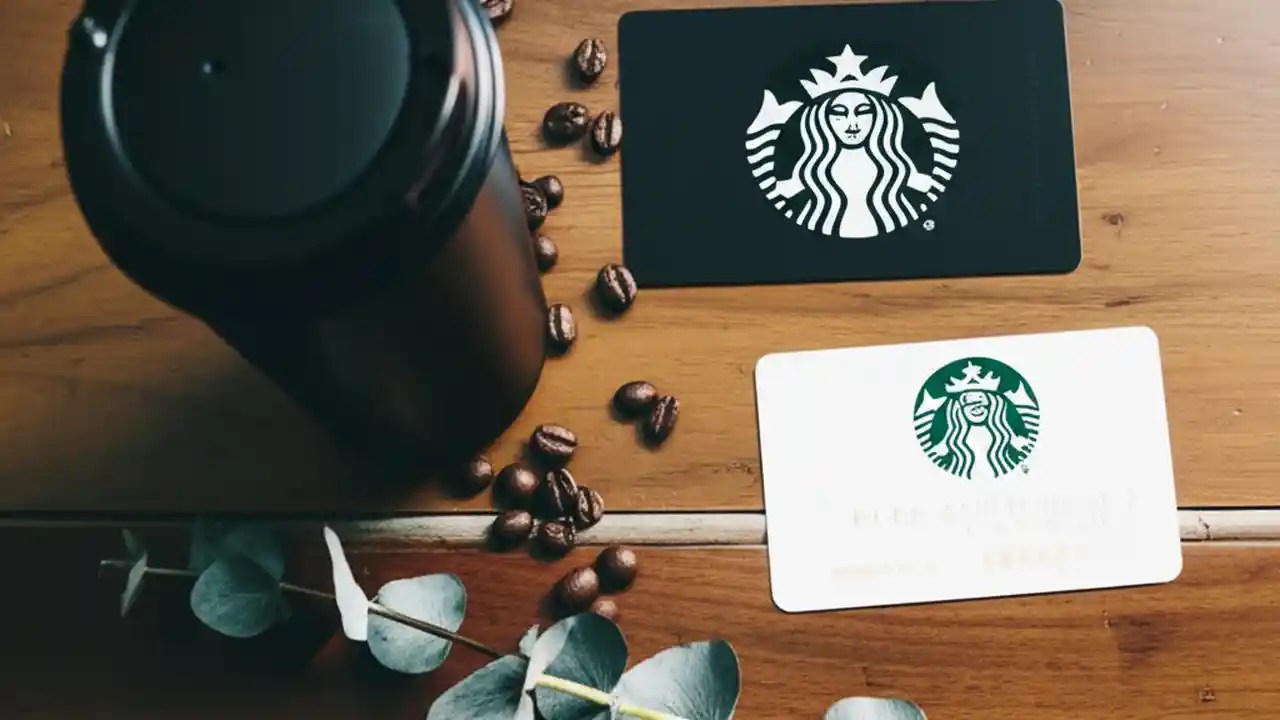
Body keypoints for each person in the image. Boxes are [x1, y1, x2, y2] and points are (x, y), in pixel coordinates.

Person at [773, 90, 940, 238]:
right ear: (823, 119)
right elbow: (783, 193)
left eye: (863, 112)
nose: (852, 124)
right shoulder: (810, 170)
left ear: (880, 116)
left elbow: (927, 187)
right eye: (839, 113)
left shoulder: (897, 167)